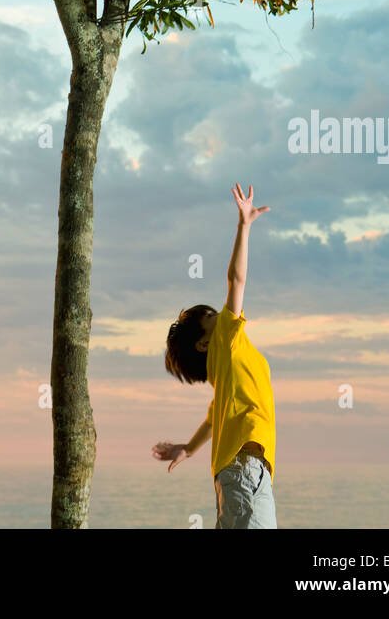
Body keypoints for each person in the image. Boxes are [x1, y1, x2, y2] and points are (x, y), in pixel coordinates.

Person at [152, 183, 277, 528]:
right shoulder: (227, 338)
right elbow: (236, 280)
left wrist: (187, 449)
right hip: (243, 467)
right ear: (204, 343)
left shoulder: (226, 370)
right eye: (211, 317)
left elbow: (212, 420)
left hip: (247, 470)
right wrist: (244, 226)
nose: (219, 316)